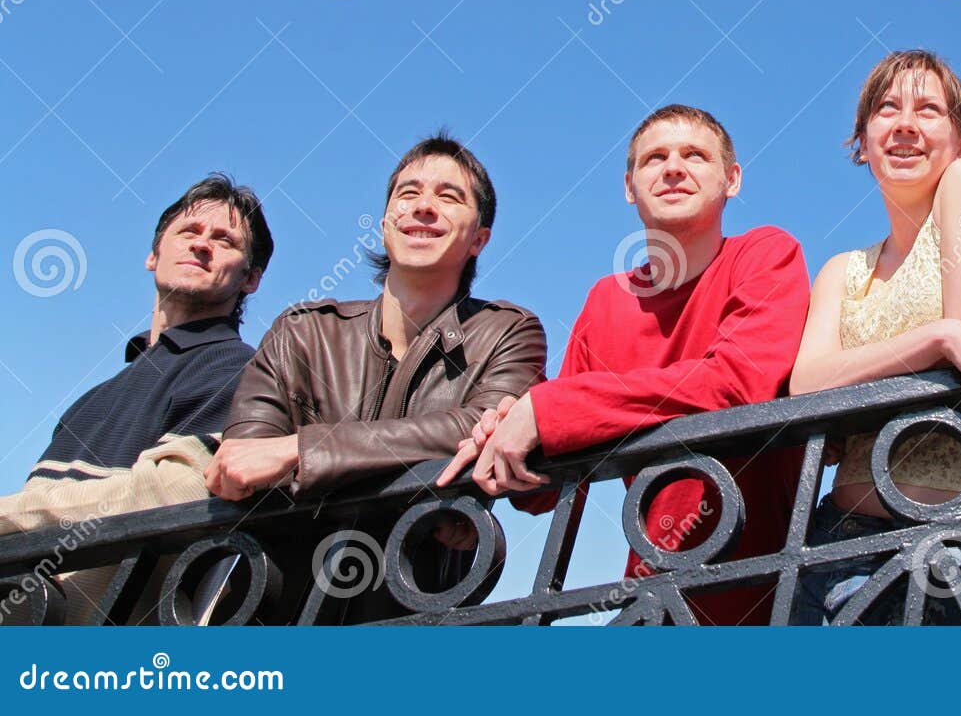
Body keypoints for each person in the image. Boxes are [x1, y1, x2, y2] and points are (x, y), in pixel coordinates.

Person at [438, 105, 810, 626]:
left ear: (732, 179)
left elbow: (739, 382)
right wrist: (505, 435)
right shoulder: (606, 299)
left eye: (695, 155)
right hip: (651, 597)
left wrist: (549, 410)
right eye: (654, 157)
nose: (674, 167)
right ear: (630, 187)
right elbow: (556, 478)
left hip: (765, 594)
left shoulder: (766, 253)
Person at [212, 133, 545, 620]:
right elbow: (242, 467)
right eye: (407, 193)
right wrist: (428, 476)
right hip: (275, 613)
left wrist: (300, 451)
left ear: (479, 239)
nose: (424, 207)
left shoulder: (508, 332)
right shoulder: (301, 332)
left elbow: (482, 432)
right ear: (386, 223)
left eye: (449, 197)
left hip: (409, 614)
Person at [786, 50, 961, 625]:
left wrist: (949, 339)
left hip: (946, 546)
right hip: (832, 543)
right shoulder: (841, 270)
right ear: (863, 141)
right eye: (886, 109)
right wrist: (937, 336)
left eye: (928, 110)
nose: (904, 124)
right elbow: (806, 384)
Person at [0, 174, 273, 625]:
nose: (202, 244)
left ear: (252, 279)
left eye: (224, 240)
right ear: (153, 256)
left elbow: (175, 492)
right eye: (189, 232)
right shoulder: (93, 397)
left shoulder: (241, 371)